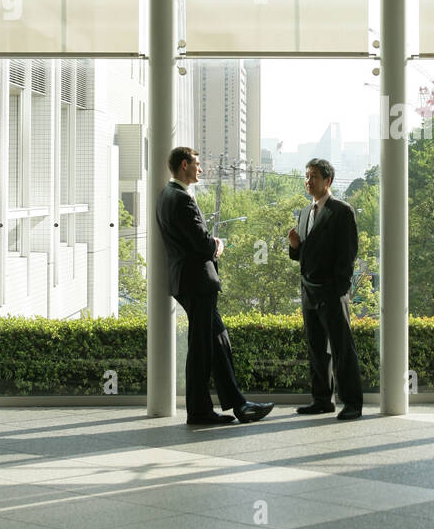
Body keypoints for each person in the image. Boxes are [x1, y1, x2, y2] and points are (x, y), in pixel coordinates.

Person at [156, 147, 273, 427]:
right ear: (184, 165)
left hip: (189, 282)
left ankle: (240, 405)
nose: (201, 169)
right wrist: (217, 246)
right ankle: (199, 412)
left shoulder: (166, 196)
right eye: (196, 164)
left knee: (218, 340)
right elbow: (202, 243)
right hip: (196, 282)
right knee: (201, 349)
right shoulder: (181, 199)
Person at [287, 158, 365, 421]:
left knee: (342, 348)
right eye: (307, 176)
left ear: (328, 181)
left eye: (314, 177)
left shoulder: (342, 211)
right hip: (309, 290)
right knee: (316, 347)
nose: (308, 181)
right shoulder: (305, 213)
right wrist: (295, 246)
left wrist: (338, 288)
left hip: (332, 291)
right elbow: (303, 256)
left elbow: (347, 254)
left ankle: (352, 403)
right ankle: (322, 400)